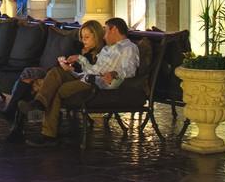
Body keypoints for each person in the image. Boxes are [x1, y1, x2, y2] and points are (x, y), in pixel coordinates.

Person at [22, 18, 139, 147]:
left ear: (114, 29)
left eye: (105, 31)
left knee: (58, 89)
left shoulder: (129, 48)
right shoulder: (107, 49)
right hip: (86, 77)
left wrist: (115, 73)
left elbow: (130, 69)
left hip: (96, 83)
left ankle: (48, 133)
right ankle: (39, 103)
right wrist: (78, 61)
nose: (104, 36)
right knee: (56, 72)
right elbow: (93, 69)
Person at [1, 20, 105, 142]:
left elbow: (89, 72)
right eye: (82, 37)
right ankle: (18, 124)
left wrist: (74, 64)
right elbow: (65, 63)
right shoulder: (79, 47)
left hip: (69, 78)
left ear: (97, 37)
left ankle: (18, 119)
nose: (83, 41)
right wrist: (66, 64)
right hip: (58, 74)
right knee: (30, 80)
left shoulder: (100, 54)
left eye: (87, 37)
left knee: (31, 83)